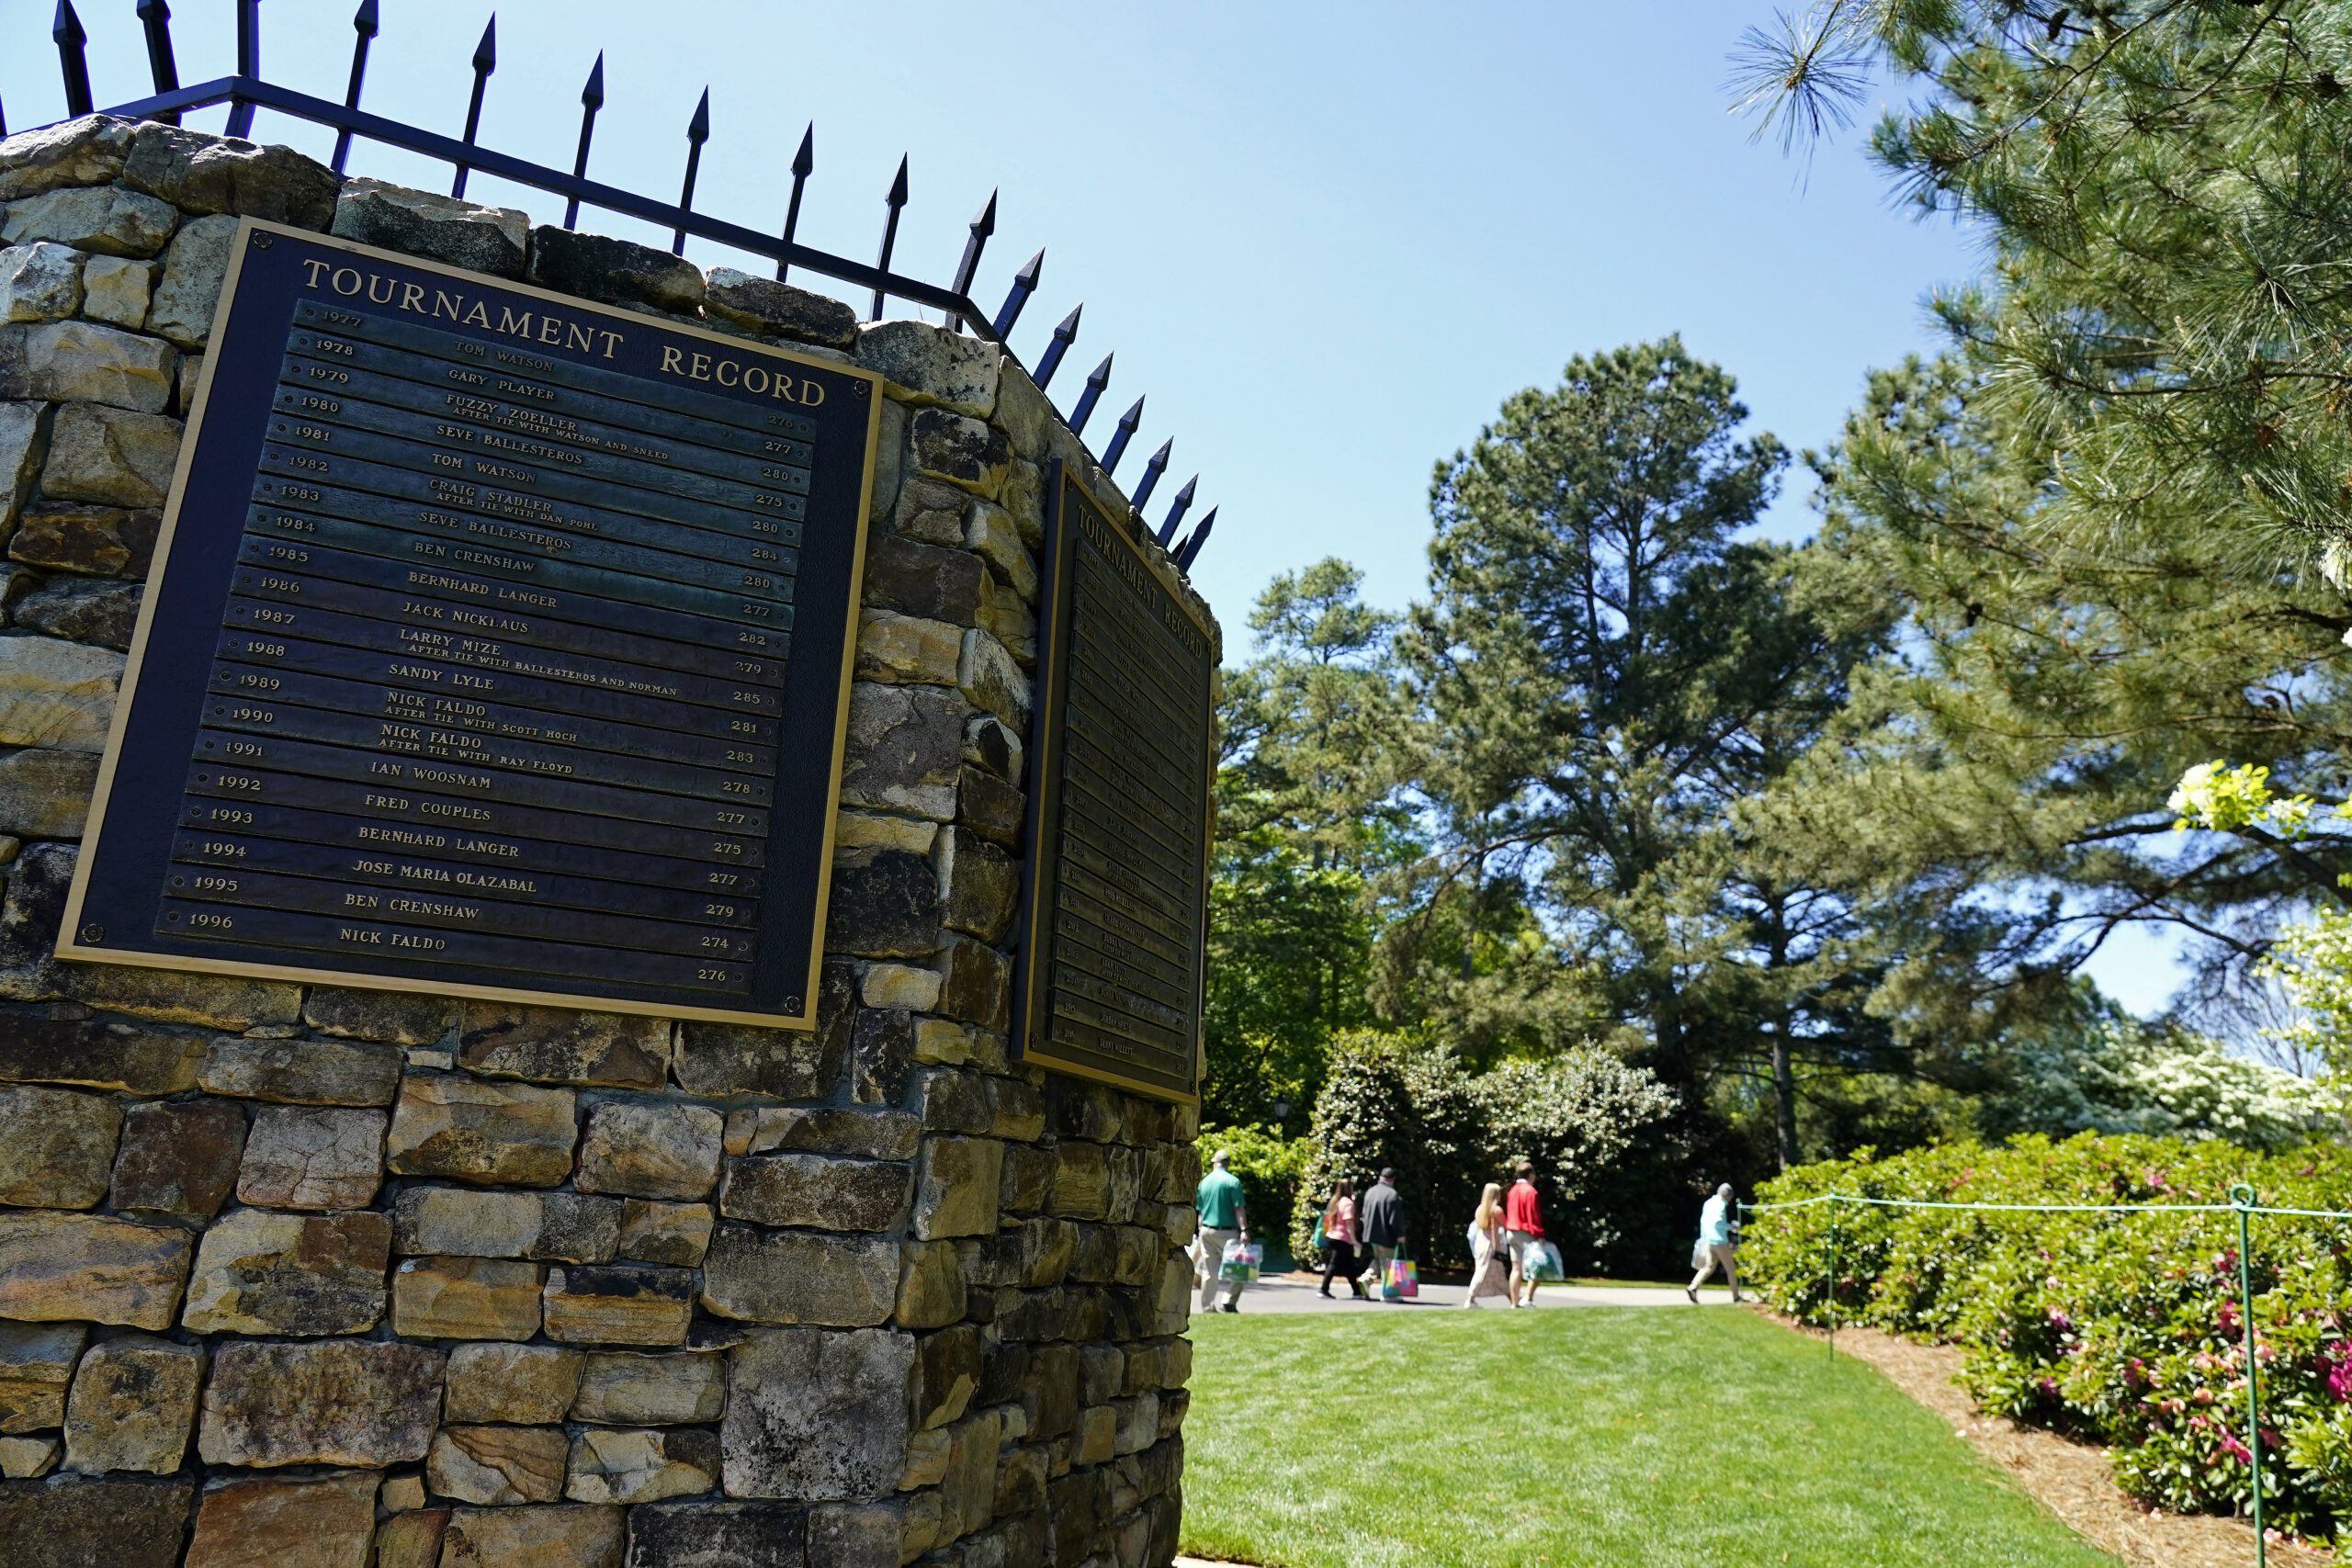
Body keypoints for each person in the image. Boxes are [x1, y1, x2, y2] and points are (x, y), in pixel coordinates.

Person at [1194, 1150, 1251, 1314]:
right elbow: (1239, 1209)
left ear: (1215, 1163)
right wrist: (1244, 1230)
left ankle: (1207, 1307)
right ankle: (1229, 1302)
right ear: (1228, 1164)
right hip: (1227, 1233)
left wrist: (1200, 1231)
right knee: (1240, 1268)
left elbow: (1200, 1212)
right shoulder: (1233, 1182)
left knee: (1209, 1271)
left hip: (1206, 1231)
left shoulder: (1204, 1182)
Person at [1686, 1182, 1743, 1303]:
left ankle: (1693, 1287)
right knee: (1731, 1270)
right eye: (1730, 1198)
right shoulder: (1721, 1204)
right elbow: (1718, 1222)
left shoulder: (1708, 1203)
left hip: (1708, 1240)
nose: (1729, 1200)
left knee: (1709, 1266)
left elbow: (1704, 1221)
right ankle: (1736, 1297)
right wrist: (1732, 1227)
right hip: (1719, 1241)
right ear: (1728, 1195)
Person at [1358, 1168, 1408, 1300]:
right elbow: (1395, 1219)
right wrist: (1400, 1234)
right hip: (1386, 1236)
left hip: (1371, 1234)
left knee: (1379, 1259)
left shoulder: (1370, 1192)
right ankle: (1388, 1294)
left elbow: (1364, 1213)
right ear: (1393, 1180)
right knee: (1388, 1265)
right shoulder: (1392, 1195)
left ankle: (1366, 1279)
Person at [1503, 1161, 1545, 1308]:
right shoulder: (1530, 1191)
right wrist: (1539, 1235)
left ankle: (1514, 1303)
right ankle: (1528, 1297)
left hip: (1511, 1231)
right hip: (1526, 1232)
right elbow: (1533, 1215)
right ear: (1531, 1174)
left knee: (1516, 1268)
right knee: (1537, 1265)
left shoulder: (1512, 1190)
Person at [1464, 1181, 1510, 1307]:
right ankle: (1470, 1299)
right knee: (1483, 1272)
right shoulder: (1496, 1210)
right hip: (1491, 1245)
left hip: (1480, 1243)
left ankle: (1513, 1299)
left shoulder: (1480, 1209)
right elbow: (1507, 1225)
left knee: (1496, 1273)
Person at [1318, 1177, 1365, 1299]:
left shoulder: (1336, 1201)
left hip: (1333, 1235)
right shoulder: (1348, 1203)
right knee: (1335, 1265)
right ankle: (1323, 1289)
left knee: (1349, 1265)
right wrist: (1354, 1240)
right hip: (1342, 1238)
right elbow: (1349, 1223)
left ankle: (1356, 1292)